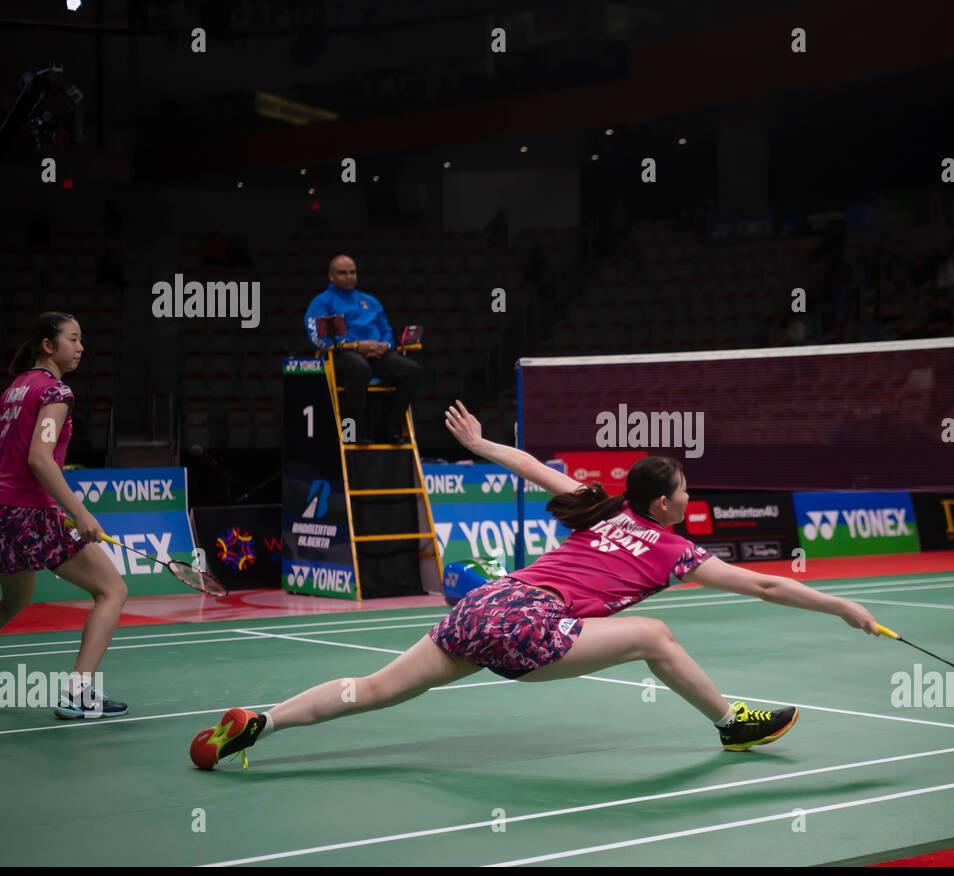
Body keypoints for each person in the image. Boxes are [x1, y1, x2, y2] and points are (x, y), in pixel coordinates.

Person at [189, 400, 885, 769]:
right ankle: (733, 727)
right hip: (528, 621)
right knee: (655, 634)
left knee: (372, 689)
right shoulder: (675, 550)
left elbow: (529, 465)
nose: (686, 494)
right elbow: (763, 587)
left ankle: (264, 719)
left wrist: (477, 445)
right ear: (666, 505)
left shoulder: (604, 507)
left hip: (486, 601)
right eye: (682, 489)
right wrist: (840, 605)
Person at [0, 313, 129, 717]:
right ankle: (78, 691)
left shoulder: (16, 388)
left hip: (5, 510)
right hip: (27, 511)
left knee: (16, 597)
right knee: (113, 590)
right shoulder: (56, 393)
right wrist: (80, 512)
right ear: (48, 345)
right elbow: (40, 459)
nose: (81, 347)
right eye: (73, 339)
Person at [303, 254, 421, 444]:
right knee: (359, 369)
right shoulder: (323, 302)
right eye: (342, 273)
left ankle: (390, 429)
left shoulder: (370, 301)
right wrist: (356, 346)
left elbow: (386, 330)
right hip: (342, 355)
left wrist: (385, 346)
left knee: (411, 370)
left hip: (376, 355)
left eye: (352, 272)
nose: (349, 277)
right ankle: (353, 432)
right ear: (331, 276)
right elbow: (318, 337)